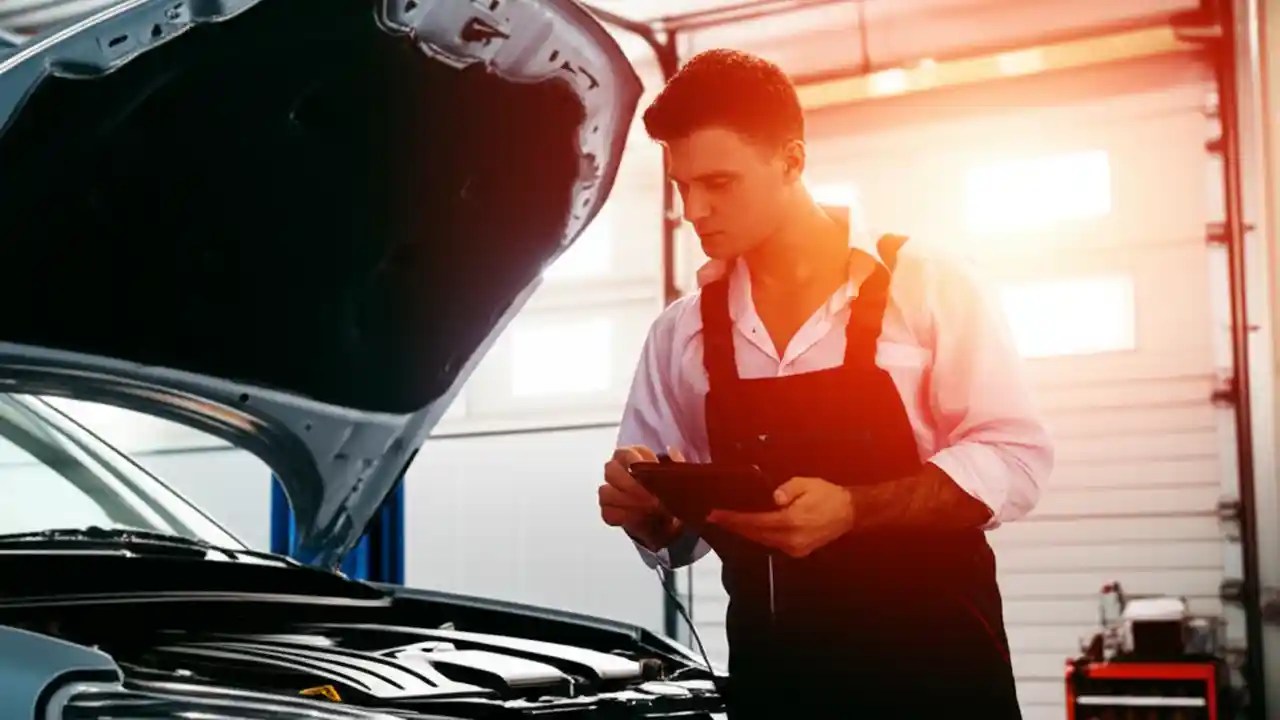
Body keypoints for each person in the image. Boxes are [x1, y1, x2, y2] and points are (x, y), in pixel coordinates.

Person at [597, 48, 1053, 718]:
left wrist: (853, 508)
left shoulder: (929, 286)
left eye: (719, 183)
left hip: (939, 681)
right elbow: (674, 520)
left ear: (792, 161)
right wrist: (649, 509)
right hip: (776, 686)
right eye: (681, 186)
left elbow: (1016, 461)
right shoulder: (680, 335)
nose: (694, 209)